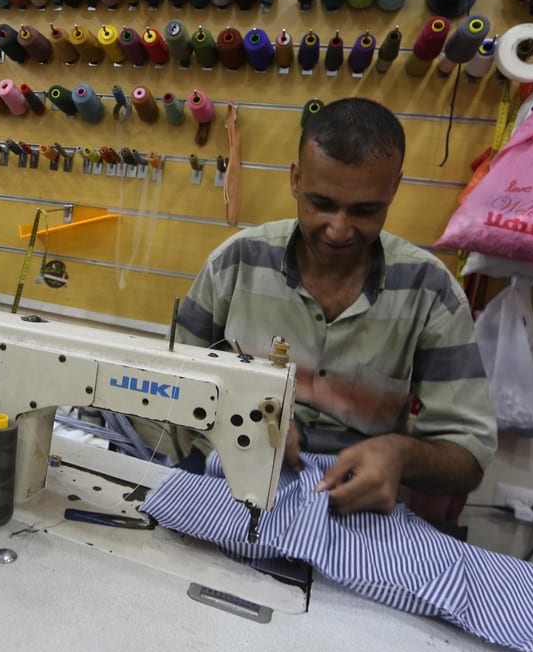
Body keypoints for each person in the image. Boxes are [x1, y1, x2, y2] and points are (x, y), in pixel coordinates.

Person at [173, 97, 497, 521]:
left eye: (365, 210)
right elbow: (171, 384)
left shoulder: (430, 292)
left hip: (352, 499)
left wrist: (400, 454)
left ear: (393, 188)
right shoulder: (235, 265)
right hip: (228, 470)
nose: (339, 230)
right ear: (295, 179)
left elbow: (469, 453)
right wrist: (240, 414)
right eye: (322, 204)